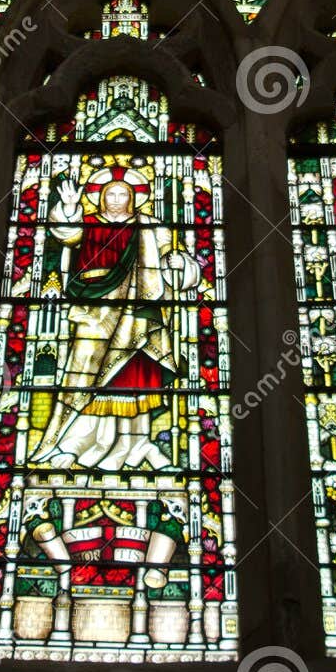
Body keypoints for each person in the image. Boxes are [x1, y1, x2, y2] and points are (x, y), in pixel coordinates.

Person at [30, 165, 199, 470]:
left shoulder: (149, 224)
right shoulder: (91, 223)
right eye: (111, 193)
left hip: (137, 309)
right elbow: (67, 234)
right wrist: (69, 208)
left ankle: (137, 445)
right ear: (101, 197)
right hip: (93, 308)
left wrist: (177, 262)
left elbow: (172, 260)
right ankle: (77, 444)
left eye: (123, 193)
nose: (117, 199)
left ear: (134, 197)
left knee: (133, 375)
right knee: (84, 374)